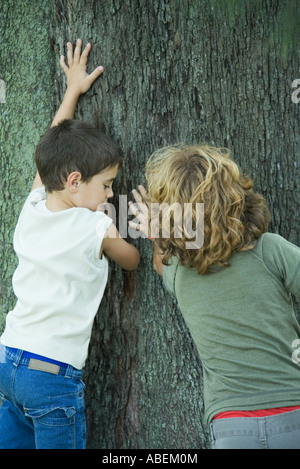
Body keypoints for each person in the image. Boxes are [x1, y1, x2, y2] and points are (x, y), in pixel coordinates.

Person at [0, 39, 140, 450]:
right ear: (76, 181)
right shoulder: (91, 224)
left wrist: (71, 92)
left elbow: (49, 157)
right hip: (51, 378)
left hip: (9, 361)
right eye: (108, 186)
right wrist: (121, 224)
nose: (111, 196)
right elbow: (131, 260)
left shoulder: (34, 206)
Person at [129, 143, 300, 449]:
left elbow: (160, 263)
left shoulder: (180, 273)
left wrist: (156, 232)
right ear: (233, 197)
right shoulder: (271, 251)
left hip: (232, 427)